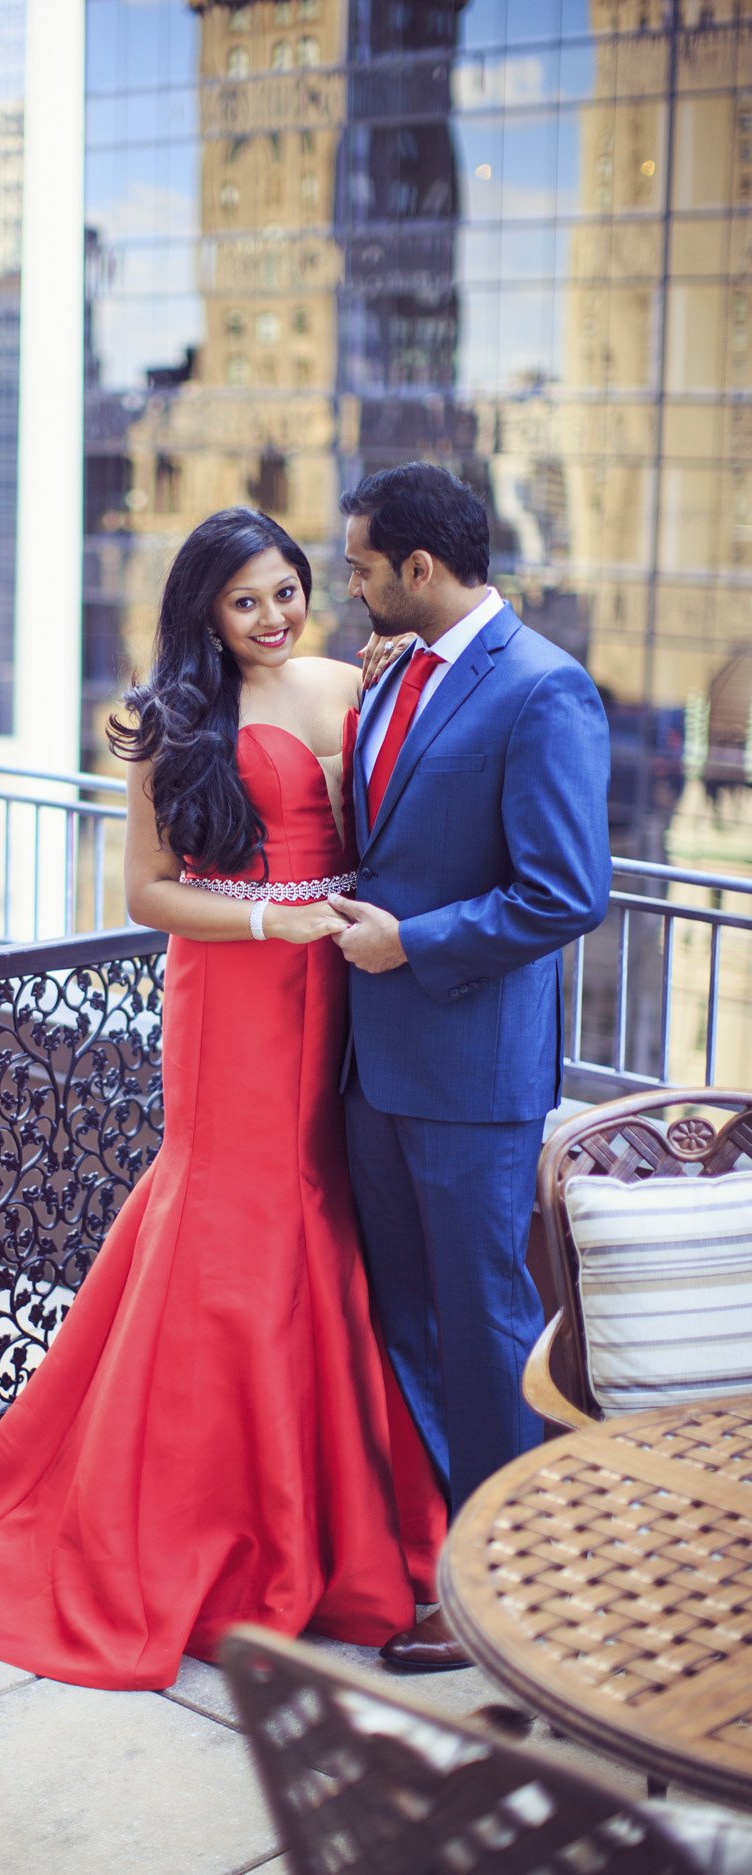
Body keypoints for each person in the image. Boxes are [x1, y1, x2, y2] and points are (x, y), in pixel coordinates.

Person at [0, 507, 446, 1690]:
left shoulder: (350, 684)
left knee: (317, 1215)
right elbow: (146, 895)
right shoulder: (173, 724)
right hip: (231, 990)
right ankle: (200, 1513)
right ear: (204, 616)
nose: (272, 619)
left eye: (286, 592)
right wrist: (273, 918)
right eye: (245, 601)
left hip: (337, 987)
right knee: (234, 1218)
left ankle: (321, 1517)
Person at [331, 462, 612, 1671]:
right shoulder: (393, 675)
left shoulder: (544, 691)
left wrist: (413, 945)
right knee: (404, 1318)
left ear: (419, 570)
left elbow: (565, 891)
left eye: (356, 568)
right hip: (369, 1068)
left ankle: (504, 1584)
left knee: (486, 1322)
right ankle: (443, 1552)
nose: (346, 587)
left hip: (470, 1081)